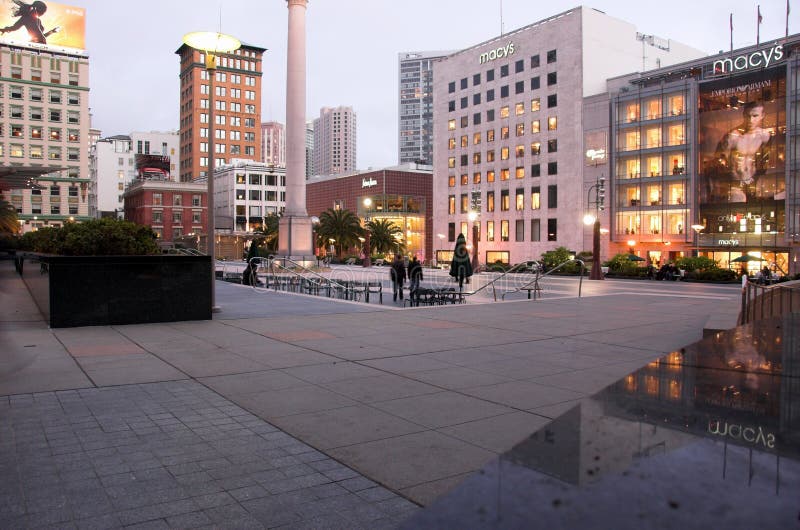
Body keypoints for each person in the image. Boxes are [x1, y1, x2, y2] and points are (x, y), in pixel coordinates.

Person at [714, 100, 772, 202]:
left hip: (754, 184)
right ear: (744, 115)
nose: (751, 120)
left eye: (755, 116)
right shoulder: (733, 136)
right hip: (736, 184)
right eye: (748, 116)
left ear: (762, 115)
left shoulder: (764, 136)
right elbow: (721, 161)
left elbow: (766, 161)